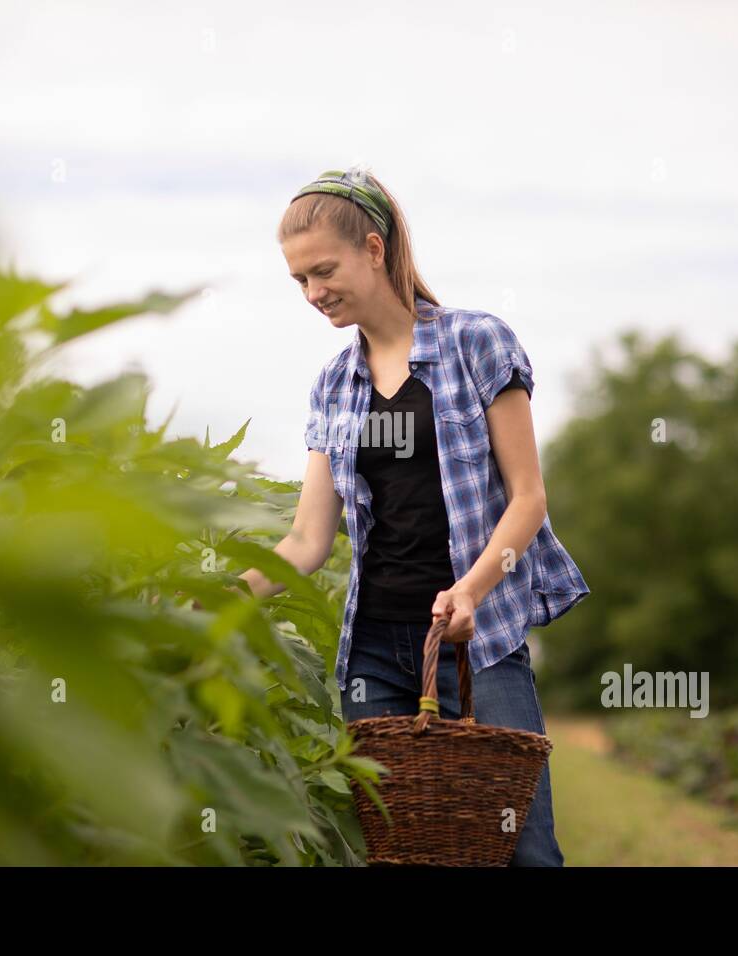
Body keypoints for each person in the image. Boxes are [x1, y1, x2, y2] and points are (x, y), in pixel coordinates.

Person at [237, 166, 591, 866]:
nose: (313, 293)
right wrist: (218, 603)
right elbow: (308, 539)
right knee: (404, 852)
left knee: (522, 850)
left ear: (374, 248)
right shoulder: (335, 384)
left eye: (324, 270)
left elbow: (528, 499)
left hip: (477, 644)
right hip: (374, 650)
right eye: (299, 280)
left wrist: (471, 591)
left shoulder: (476, 343)